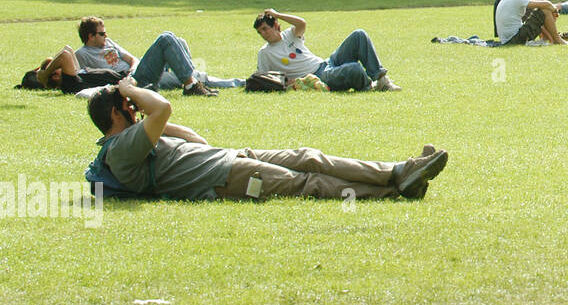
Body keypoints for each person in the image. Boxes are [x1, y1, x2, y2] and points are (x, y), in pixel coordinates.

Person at [87, 77, 446, 200]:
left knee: (310, 156)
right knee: (308, 183)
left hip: (228, 157)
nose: (135, 107)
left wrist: (151, 121)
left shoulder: (137, 137)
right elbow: (162, 107)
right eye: (127, 105)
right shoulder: (119, 148)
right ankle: (395, 190)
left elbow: (196, 138)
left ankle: (398, 170)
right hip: (225, 179)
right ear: (116, 114)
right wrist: (128, 87)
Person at [74, 16, 231, 95]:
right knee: (166, 39)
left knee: (176, 40)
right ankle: (192, 84)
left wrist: (132, 69)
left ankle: (190, 80)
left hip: (136, 71)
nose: (106, 35)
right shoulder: (82, 54)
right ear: (90, 36)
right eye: (101, 33)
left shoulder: (108, 43)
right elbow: (78, 78)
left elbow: (132, 59)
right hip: (132, 82)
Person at [254, 9, 401, 91]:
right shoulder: (265, 53)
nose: (263, 34)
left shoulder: (289, 35)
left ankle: (381, 80)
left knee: (359, 35)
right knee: (354, 69)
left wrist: (278, 15)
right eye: (260, 32)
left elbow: (302, 23)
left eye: (265, 29)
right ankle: (369, 86)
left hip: (327, 63)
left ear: (276, 26)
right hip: (318, 77)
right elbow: (263, 78)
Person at [17, 45, 120, 94]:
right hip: (125, 80)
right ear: (56, 76)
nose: (59, 64)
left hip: (124, 75)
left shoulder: (76, 74)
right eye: (57, 66)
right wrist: (44, 74)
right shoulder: (70, 84)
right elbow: (64, 56)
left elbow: (67, 49)